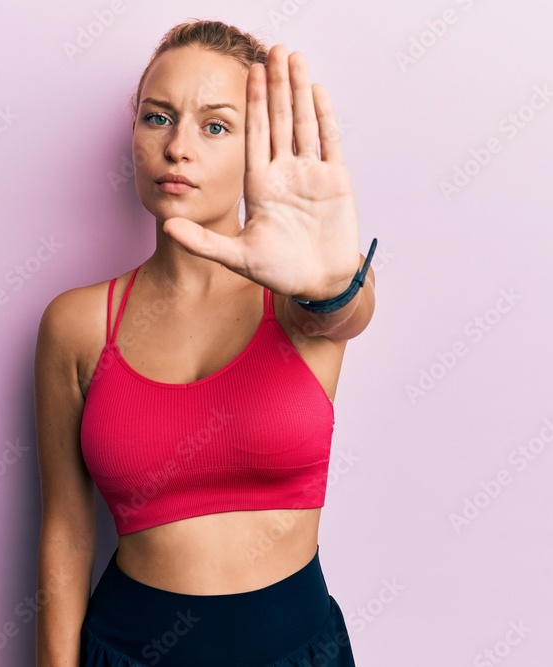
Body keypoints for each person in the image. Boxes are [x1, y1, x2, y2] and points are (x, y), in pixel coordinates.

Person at [34, 18, 377, 666]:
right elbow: (65, 533)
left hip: (296, 651)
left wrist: (332, 281)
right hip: (127, 651)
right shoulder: (77, 324)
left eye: (215, 125)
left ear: (259, 147)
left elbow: (348, 310)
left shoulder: (302, 297)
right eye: (158, 118)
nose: (178, 147)